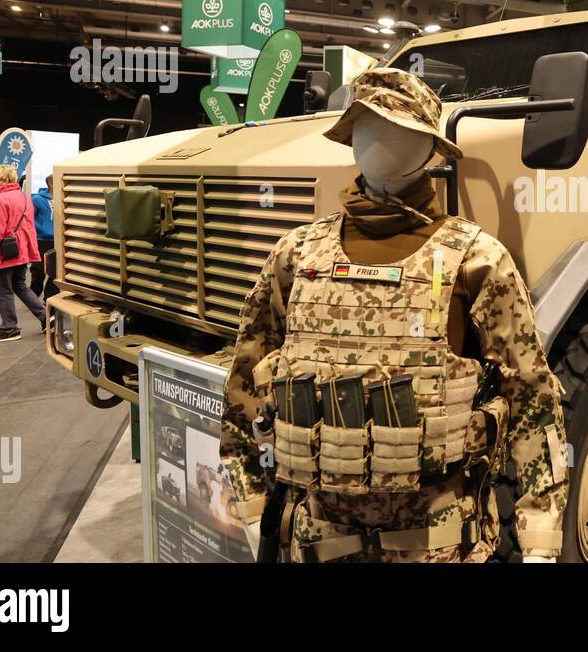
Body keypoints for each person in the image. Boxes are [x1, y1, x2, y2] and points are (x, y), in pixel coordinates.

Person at [220, 69, 568, 563]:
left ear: (430, 150)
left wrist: (540, 534)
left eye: (398, 130)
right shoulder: (296, 254)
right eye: (364, 125)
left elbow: (532, 400)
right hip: (315, 541)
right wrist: (247, 493)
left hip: (438, 545)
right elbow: (246, 379)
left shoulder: (476, 259)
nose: (377, 140)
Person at [0, 164, 45, 343]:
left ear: (3, 179)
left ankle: (9, 328)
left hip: (3, 252)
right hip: (20, 250)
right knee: (20, 285)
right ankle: (47, 317)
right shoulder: (22, 196)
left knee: (3, 291)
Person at [29, 175, 56, 299]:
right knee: (38, 270)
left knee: (55, 272)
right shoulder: (37, 199)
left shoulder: (63, 198)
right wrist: (39, 229)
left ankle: (50, 297)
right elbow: (29, 218)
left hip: (57, 241)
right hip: (41, 240)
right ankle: (33, 296)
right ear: (51, 183)